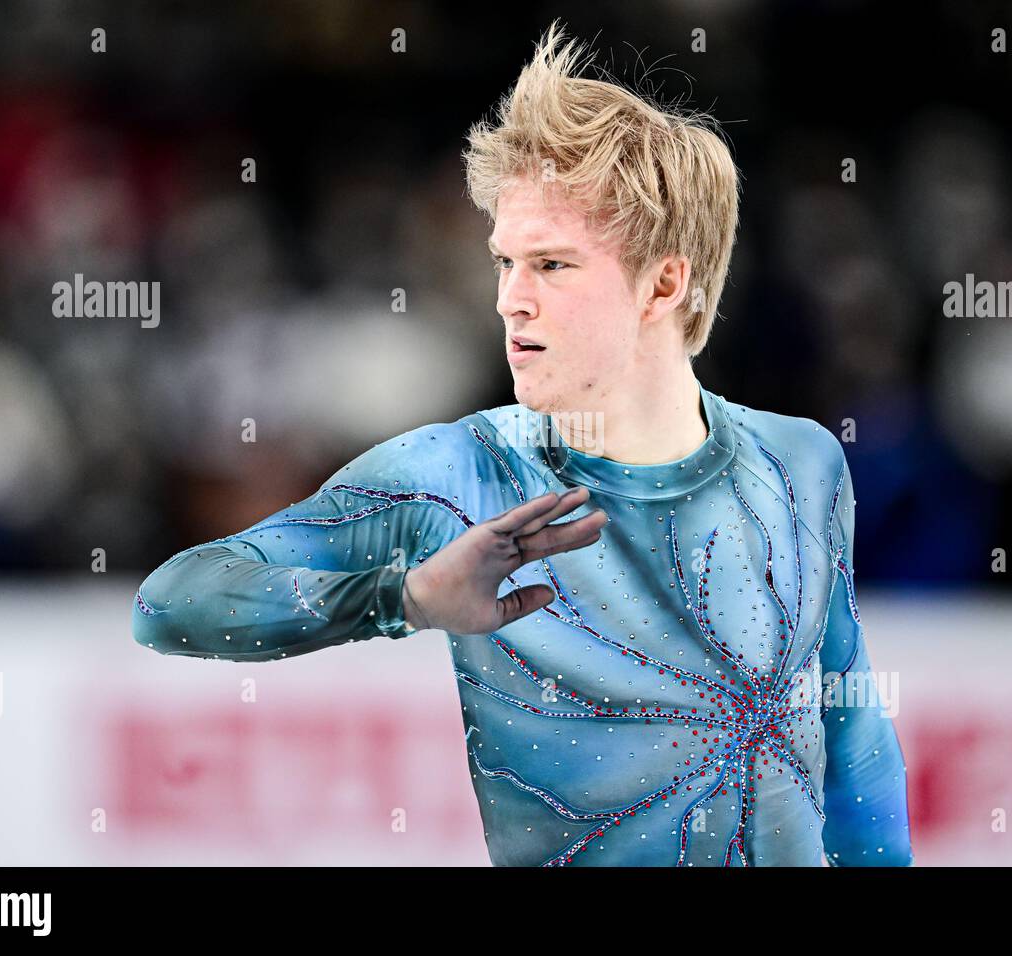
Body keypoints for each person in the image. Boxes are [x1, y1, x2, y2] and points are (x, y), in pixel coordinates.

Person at [131, 20, 913, 867]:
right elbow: (171, 603)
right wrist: (402, 599)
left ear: (663, 283)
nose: (510, 300)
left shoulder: (800, 464)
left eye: (551, 265)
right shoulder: (456, 476)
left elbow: (854, 737)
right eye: (505, 263)